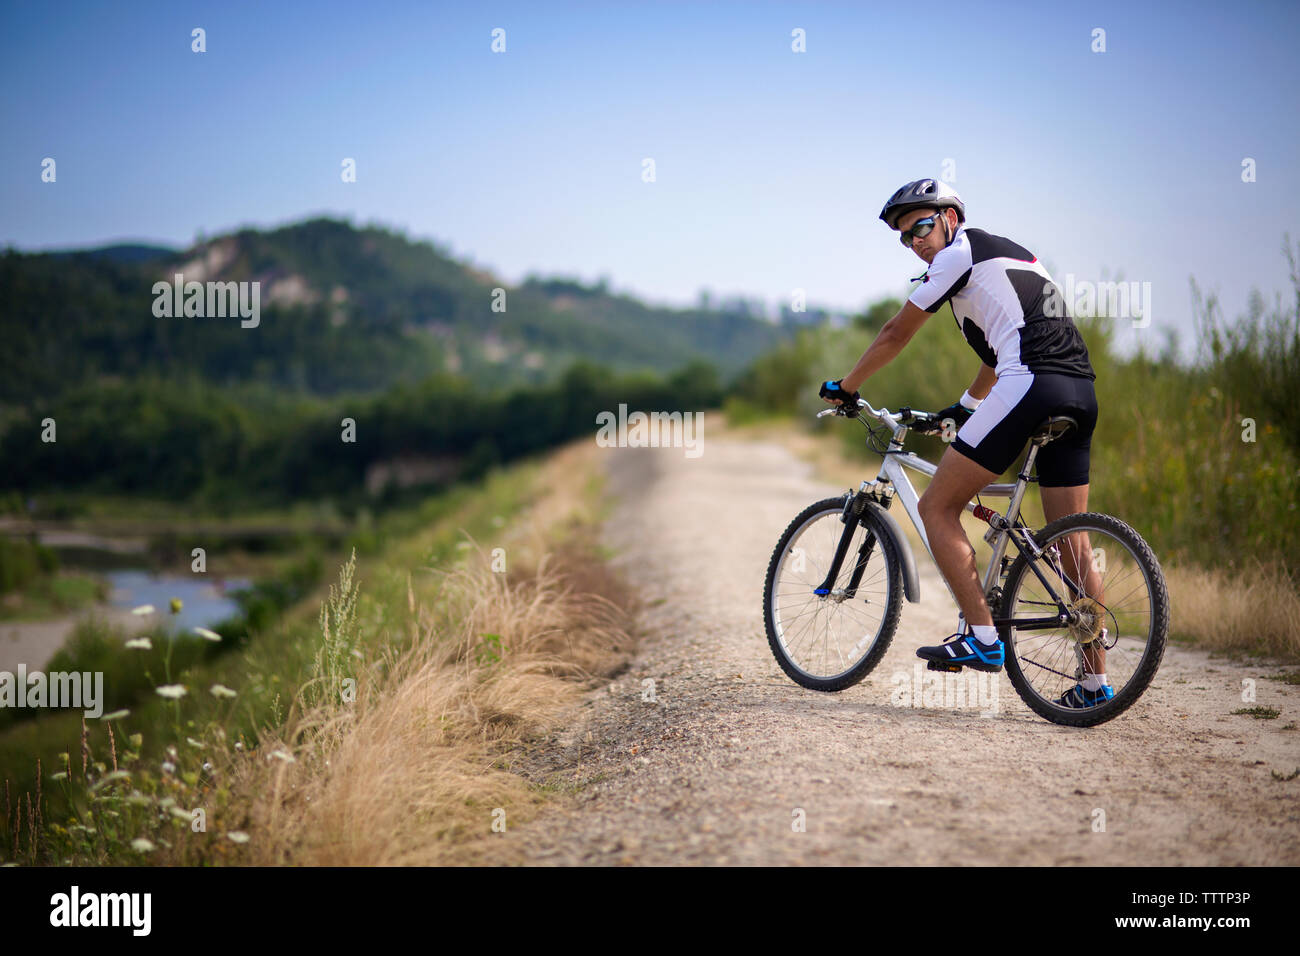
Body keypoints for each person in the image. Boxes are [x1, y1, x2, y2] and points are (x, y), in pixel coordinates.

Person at [819, 178, 1109, 708]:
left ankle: (981, 638)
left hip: (1030, 384)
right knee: (1074, 543)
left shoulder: (958, 255)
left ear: (950, 216)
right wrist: (968, 406)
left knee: (937, 506)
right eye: (906, 239)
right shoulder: (1014, 255)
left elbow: (895, 334)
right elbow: (1001, 348)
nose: (916, 243)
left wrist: (848, 387)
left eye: (922, 228)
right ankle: (1094, 686)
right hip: (1080, 390)